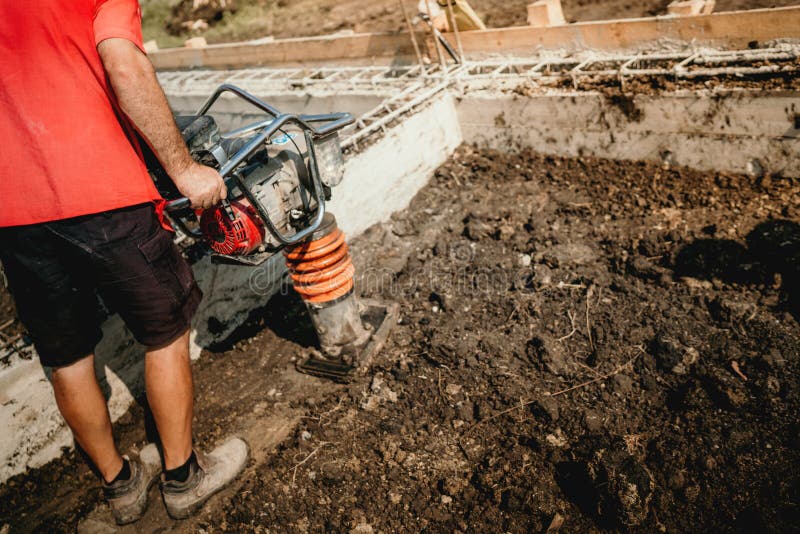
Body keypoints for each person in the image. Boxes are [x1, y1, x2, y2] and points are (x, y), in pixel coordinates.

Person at [0, 0, 248, 524]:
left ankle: (120, 486)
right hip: (103, 190)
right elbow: (124, 64)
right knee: (165, 330)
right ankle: (183, 479)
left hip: (13, 213)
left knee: (65, 357)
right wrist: (183, 169)